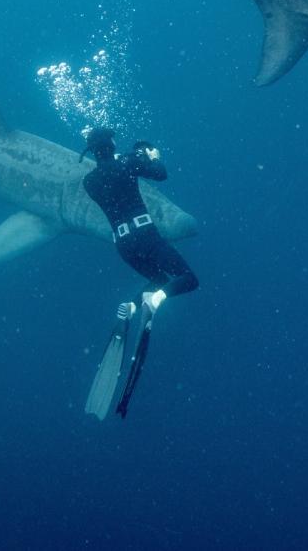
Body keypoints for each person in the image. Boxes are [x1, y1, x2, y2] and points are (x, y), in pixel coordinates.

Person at [78, 127, 198, 419]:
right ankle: (155, 300)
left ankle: (132, 306)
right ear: (112, 144)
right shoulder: (127, 162)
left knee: (157, 278)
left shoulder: (89, 181)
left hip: (124, 245)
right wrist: (151, 156)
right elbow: (161, 173)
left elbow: (110, 175)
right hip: (145, 234)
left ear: (92, 151)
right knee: (188, 279)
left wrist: (123, 157)